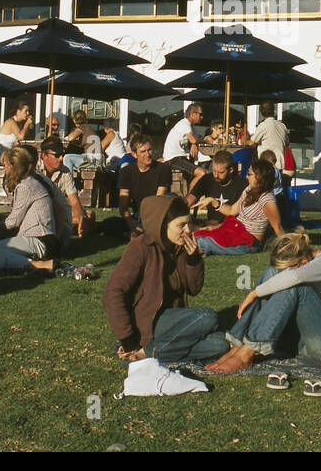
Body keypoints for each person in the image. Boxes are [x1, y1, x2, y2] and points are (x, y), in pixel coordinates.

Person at [207, 229, 321, 373]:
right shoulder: (308, 263)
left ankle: (244, 355)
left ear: (303, 261)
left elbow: (295, 277)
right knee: (272, 273)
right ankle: (238, 345)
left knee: (296, 286)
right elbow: (287, 275)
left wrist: (253, 293)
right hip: (306, 339)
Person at [102, 194, 230, 363]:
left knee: (220, 344)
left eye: (188, 223)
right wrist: (128, 339)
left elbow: (193, 289)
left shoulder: (180, 247)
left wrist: (193, 260)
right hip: (149, 321)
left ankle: (153, 351)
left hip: (175, 319)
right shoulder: (140, 248)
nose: (188, 230)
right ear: (162, 225)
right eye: (181, 225)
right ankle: (146, 351)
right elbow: (112, 293)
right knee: (207, 316)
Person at [194, 159, 283, 255]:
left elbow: (277, 227)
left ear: (259, 177)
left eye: (249, 174)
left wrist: (288, 249)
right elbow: (231, 211)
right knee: (198, 233)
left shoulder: (267, 199)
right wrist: (213, 201)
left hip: (248, 242)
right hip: (234, 232)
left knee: (201, 241)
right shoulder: (249, 190)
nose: (246, 176)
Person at [111, 133, 170, 235]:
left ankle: (138, 231)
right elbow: (123, 205)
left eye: (149, 150)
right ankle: (137, 230)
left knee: (171, 197)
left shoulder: (163, 169)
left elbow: (158, 201)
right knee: (109, 224)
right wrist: (130, 223)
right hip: (137, 215)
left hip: (157, 214)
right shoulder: (126, 171)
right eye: (143, 151)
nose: (148, 154)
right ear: (134, 154)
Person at [39, 137, 85, 238]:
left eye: (62, 155)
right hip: (40, 214)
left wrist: (80, 217)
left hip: (59, 214)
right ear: (43, 156)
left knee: (86, 216)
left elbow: (74, 201)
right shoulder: (35, 170)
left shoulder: (65, 171)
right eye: (57, 155)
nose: (61, 158)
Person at [189, 150, 247, 225]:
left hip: (232, 226)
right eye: (214, 171)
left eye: (221, 172)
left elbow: (234, 212)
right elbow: (191, 198)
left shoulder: (242, 184)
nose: (216, 175)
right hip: (210, 224)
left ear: (231, 170)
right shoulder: (207, 179)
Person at [163, 104, 208, 189]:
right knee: (201, 173)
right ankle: (189, 200)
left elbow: (195, 140)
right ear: (192, 114)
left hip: (181, 158)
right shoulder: (184, 123)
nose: (202, 117)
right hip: (173, 159)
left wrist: (194, 144)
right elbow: (194, 140)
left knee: (206, 172)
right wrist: (203, 140)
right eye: (200, 114)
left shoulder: (192, 128)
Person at [248, 102, 289, 167]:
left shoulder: (264, 125)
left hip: (268, 165)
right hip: (280, 164)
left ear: (261, 112)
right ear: (273, 111)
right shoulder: (282, 125)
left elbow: (250, 143)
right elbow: (287, 143)